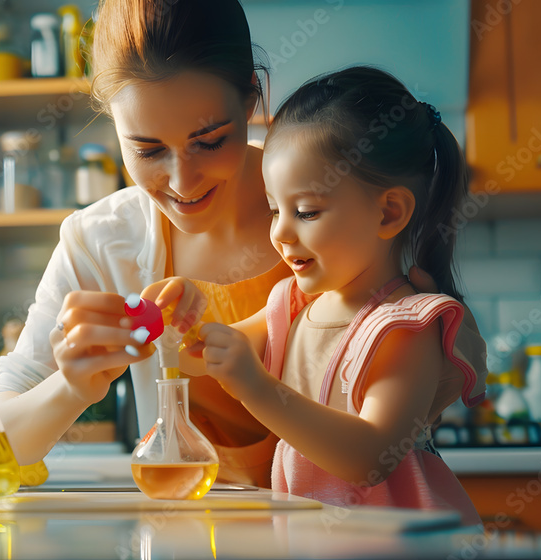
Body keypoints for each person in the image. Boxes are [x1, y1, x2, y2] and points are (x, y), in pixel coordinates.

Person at [0, 0, 477, 489]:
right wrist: (73, 387)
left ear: (251, 100)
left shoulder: (344, 198)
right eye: (147, 149)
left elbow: (406, 406)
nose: (182, 181)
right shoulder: (99, 239)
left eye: (209, 140)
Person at [154, 66, 487, 524]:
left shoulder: (408, 327)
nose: (281, 232)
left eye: (306, 211)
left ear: (389, 212)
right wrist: (171, 321)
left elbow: (370, 457)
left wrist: (256, 386)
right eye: (274, 209)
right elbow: (203, 353)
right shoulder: (289, 305)